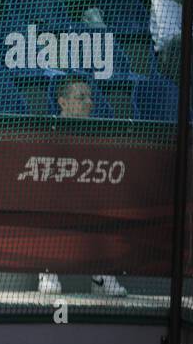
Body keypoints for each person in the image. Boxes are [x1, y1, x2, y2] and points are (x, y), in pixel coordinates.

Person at [38, 76, 127, 298]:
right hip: (55, 200)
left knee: (108, 206)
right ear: (63, 102)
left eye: (90, 97)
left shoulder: (98, 133)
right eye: (81, 97)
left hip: (89, 198)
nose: (89, 102)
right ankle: (47, 272)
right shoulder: (48, 130)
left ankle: (101, 275)